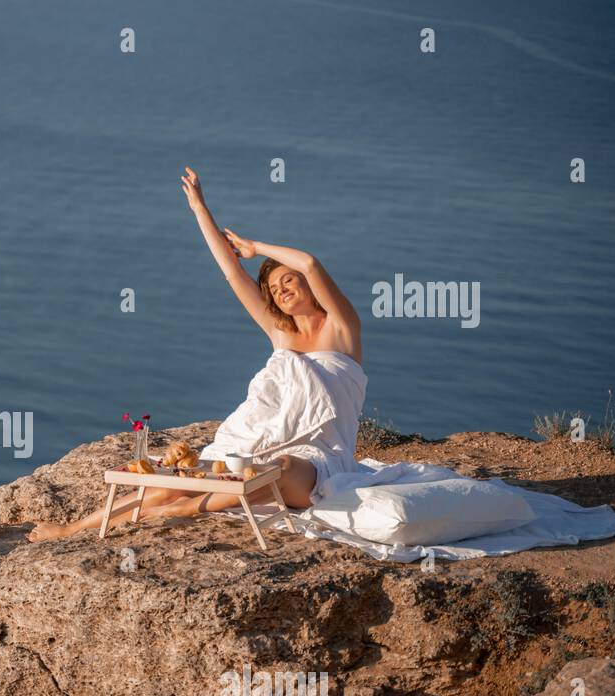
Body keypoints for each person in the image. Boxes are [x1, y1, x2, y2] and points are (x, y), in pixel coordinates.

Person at [28, 166, 366, 543]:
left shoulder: (342, 327)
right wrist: (199, 208)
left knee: (281, 469)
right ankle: (72, 529)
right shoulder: (280, 333)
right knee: (170, 485)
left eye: (289, 280)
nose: (283, 289)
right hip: (261, 445)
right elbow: (231, 271)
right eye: (274, 288)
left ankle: (186, 510)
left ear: (307, 284)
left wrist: (255, 248)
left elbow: (310, 263)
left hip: (318, 462)